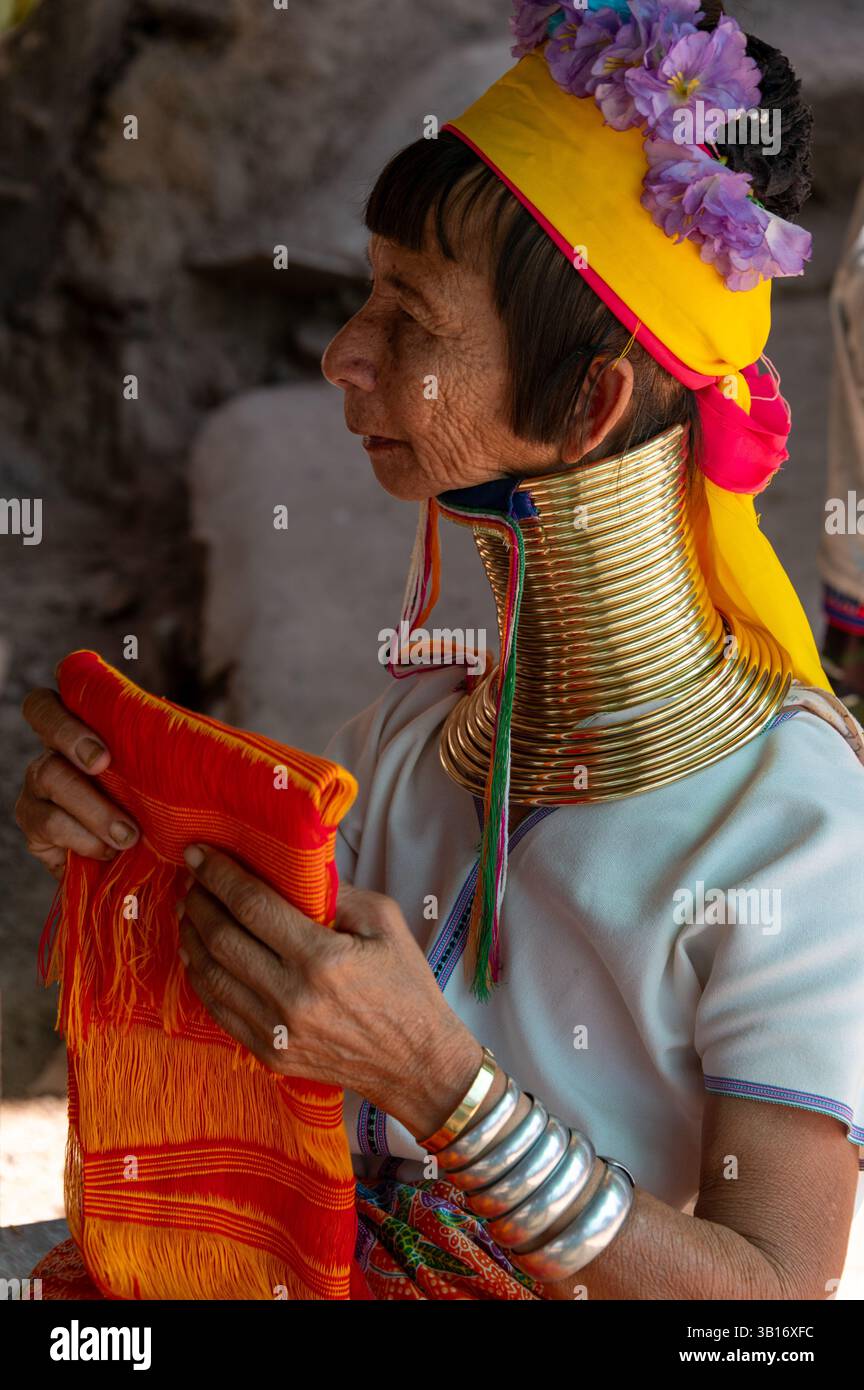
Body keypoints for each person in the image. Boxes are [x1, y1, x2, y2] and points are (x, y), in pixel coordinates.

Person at [17, 0, 864, 1300]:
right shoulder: (403, 750)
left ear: (588, 405)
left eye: (409, 319)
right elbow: (272, 1065)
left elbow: (772, 1309)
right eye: (366, 297)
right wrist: (138, 842)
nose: (344, 355)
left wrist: (440, 1088)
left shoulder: (795, 830)